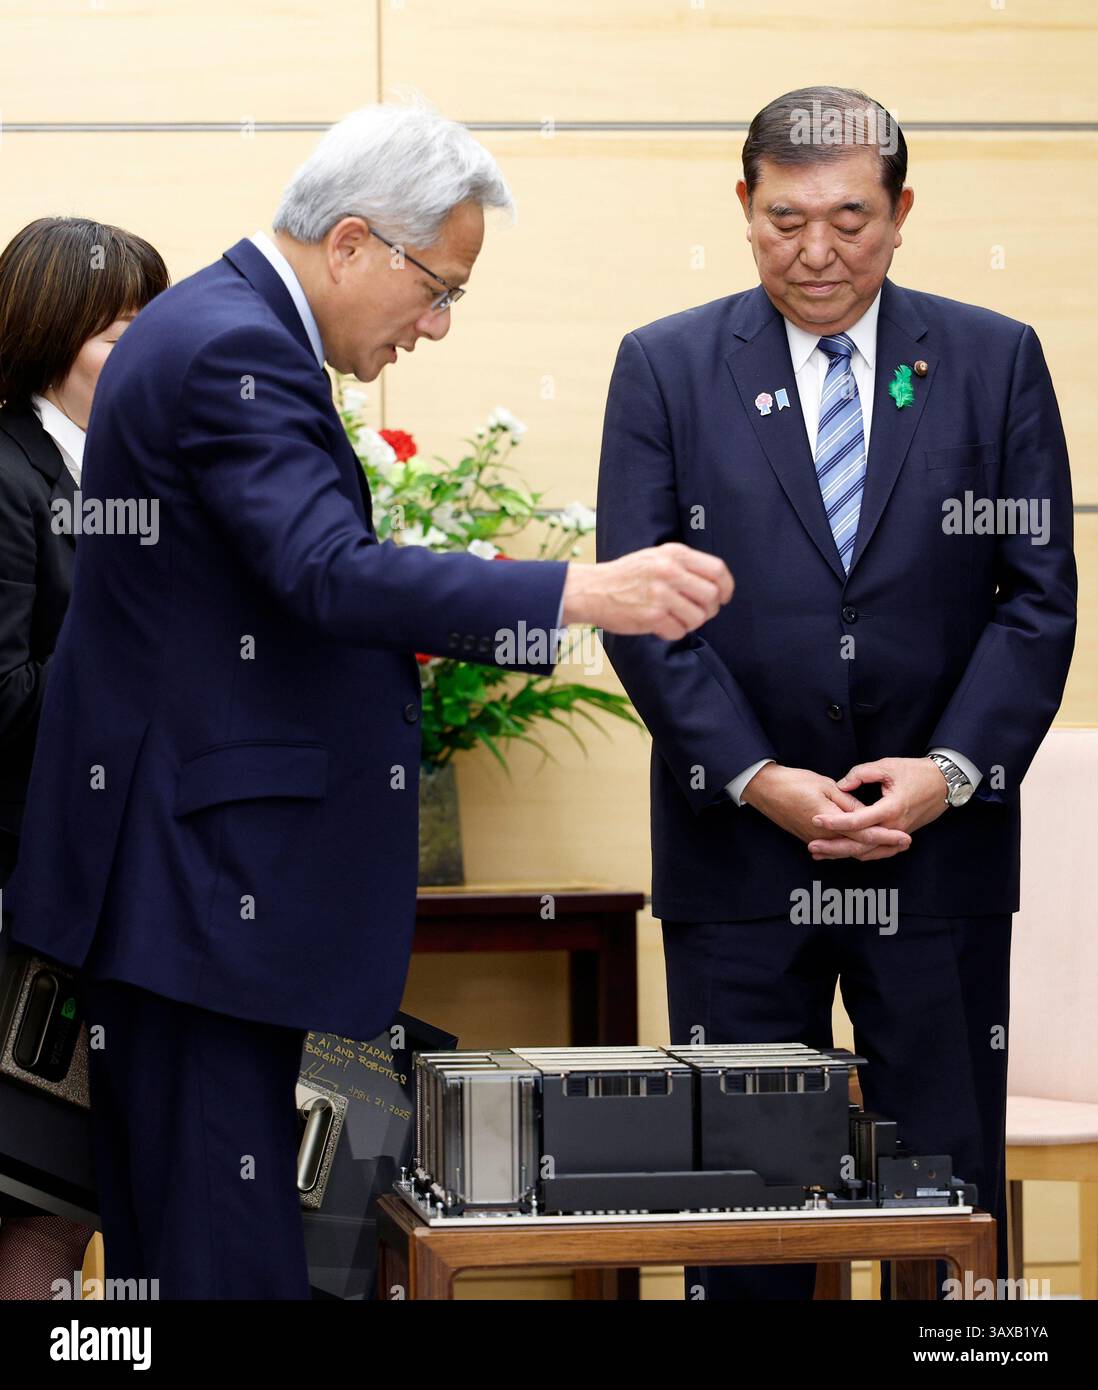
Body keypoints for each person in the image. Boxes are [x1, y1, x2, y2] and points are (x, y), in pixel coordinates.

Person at [6, 99, 732, 1299]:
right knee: (224, 1261)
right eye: (437, 286)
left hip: (184, 893)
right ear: (351, 243)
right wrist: (583, 590)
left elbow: (259, 600)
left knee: (182, 1252)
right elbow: (323, 570)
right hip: (203, 896)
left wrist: (400, 651)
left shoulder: (218, 325)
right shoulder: (235, 346)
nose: (437, 325)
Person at [596, 85, 1076, 1301]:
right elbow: (648, 611)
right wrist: (756, 777)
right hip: (740, 855)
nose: (816, 250)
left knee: (948, 1192)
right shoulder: (663, 367)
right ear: (744, 209)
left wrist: (950, 772)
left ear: (904, 211)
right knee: (750, 1206)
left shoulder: (994, 358)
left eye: (851, 220)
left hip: (938, 852)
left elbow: (1037, 599)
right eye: (785, 219)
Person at [0, 216, 169, 1298]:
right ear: (47, 333)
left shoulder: (116, 470)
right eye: (120, 330)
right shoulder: (10, 475)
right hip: (26, 890)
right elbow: (10, 705)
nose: (147, 354)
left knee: (64, 1199)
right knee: (31, 1190)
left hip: (104, 892)